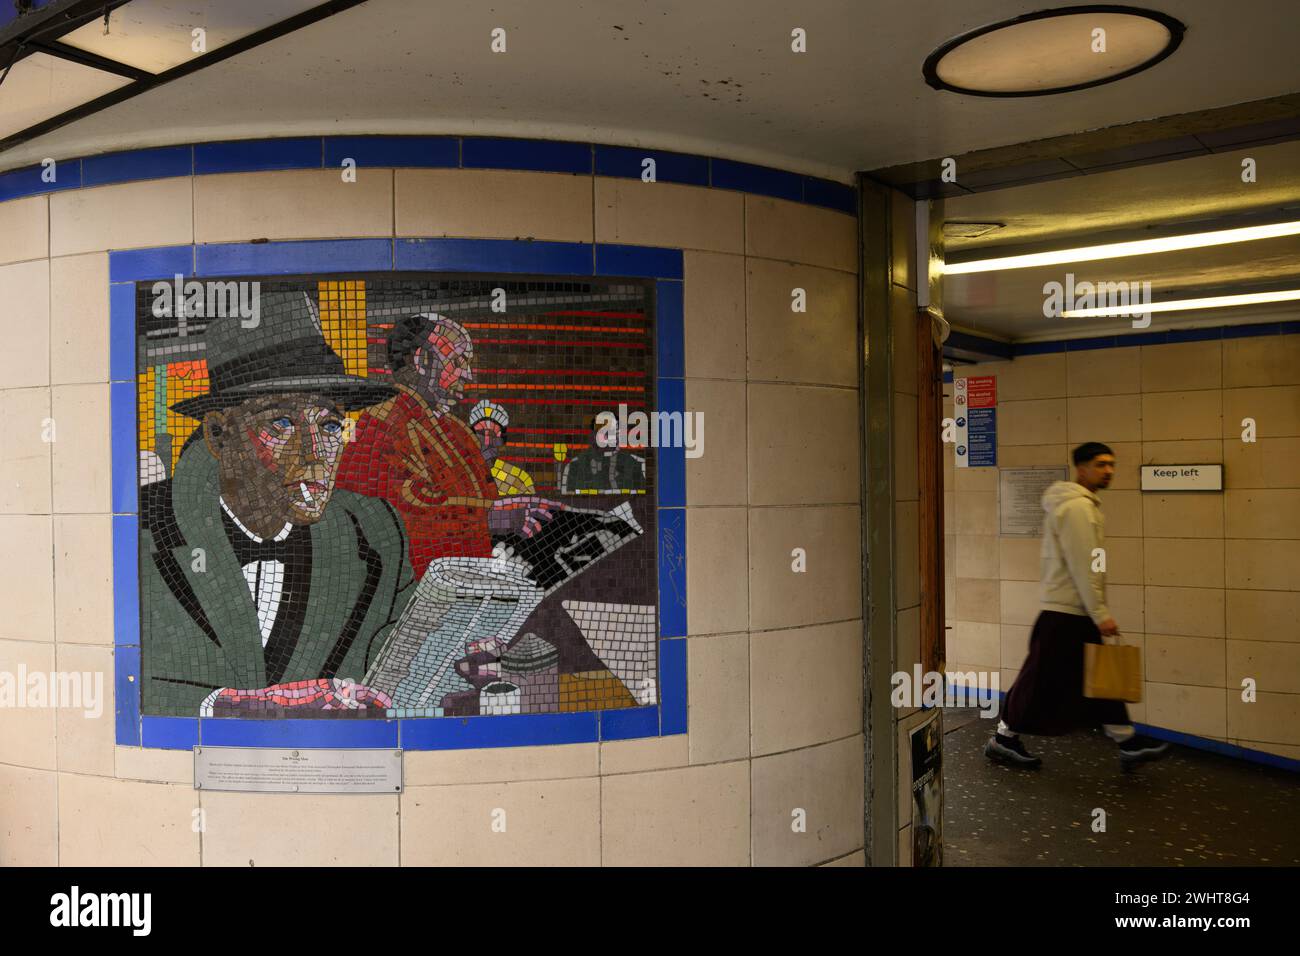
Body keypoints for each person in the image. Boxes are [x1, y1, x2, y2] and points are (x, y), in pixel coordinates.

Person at [140, 293, 413, 717]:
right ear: (219, 435)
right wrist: (231, 707)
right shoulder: (141, 532)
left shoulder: (376, 532)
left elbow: (404, 658)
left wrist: (458, 665)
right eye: (280, 423)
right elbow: (118, 679)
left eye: (328, 425)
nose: (313, 453)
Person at [985, 442, 1170, 768]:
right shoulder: (1078, 509)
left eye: (1111, 464)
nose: (1109, 470)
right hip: (1066, 613)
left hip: (1073, 611)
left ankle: (1126, 741)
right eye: (1101, 464)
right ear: (1082, 469)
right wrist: (1100, 612)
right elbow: (1084, 563)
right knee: (1039, 678)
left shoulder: (1083, 506)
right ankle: (1003, 738)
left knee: (1098, 673)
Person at [336, 314, 558, 578]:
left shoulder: (458, 431)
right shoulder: (380, 426)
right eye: (457, 362)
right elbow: (403, 513)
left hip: (474, 579)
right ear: (422, 361)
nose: (468, 375)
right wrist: (493, 518)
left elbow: (487, 497)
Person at [468, 398, 536, 495]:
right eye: (481, 433)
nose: (486, 442)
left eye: (492, 435)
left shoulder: (519, 480)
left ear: (501, 439)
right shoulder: (463, 475)